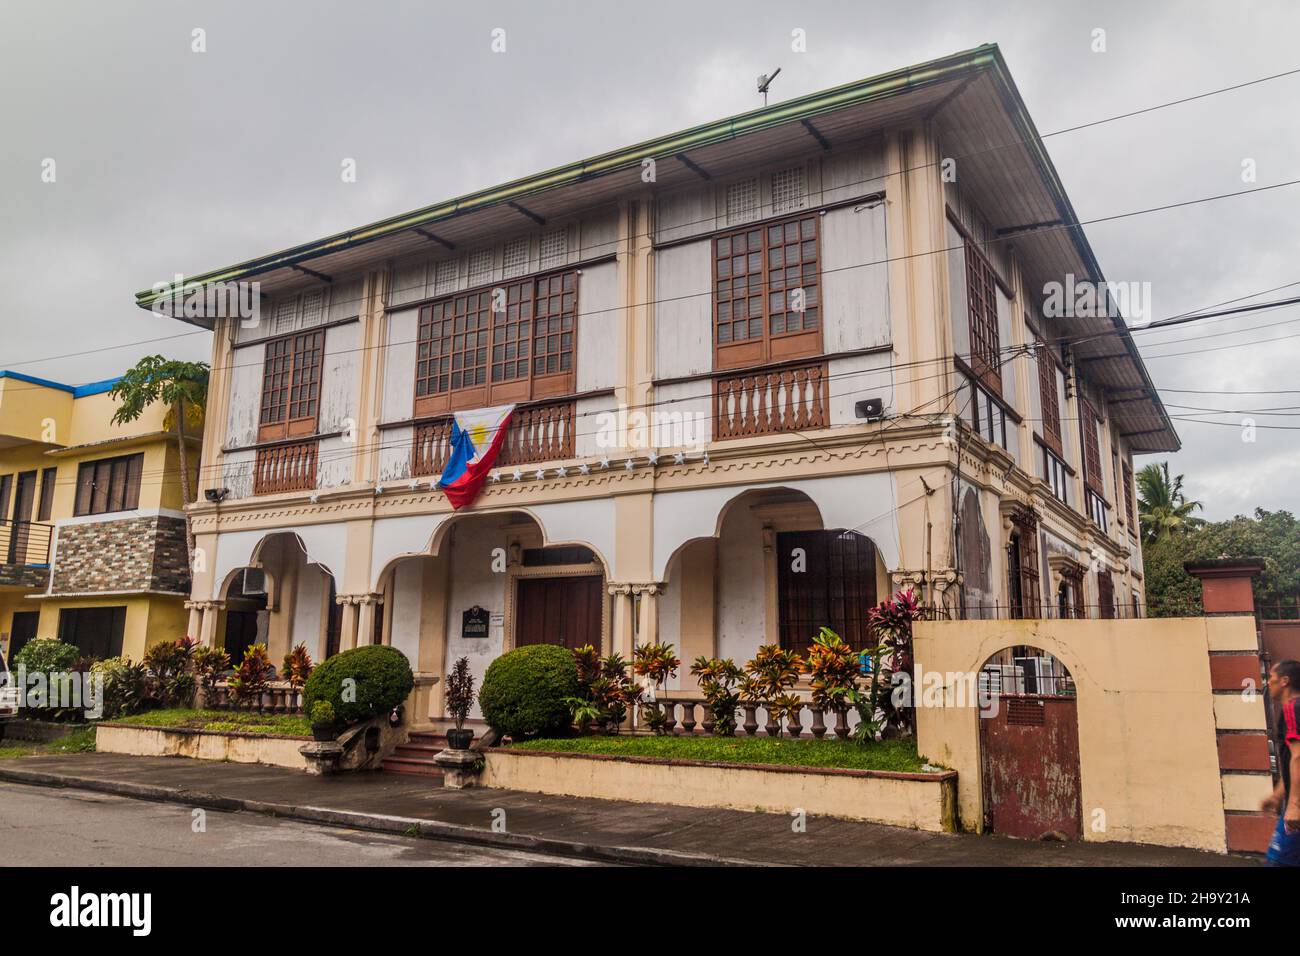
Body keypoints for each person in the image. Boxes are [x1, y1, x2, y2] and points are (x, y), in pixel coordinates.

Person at [1263, 659, 1300, 865]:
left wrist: (1294, 805)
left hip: (1297, 806)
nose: (1268, 682)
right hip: (1292, 803)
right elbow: (1291, 761)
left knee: (1280, 861)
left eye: (1272, 678)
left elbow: (1298, 756)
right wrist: (1278, 795)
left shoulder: (1291, 710)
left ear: (1285, 681)